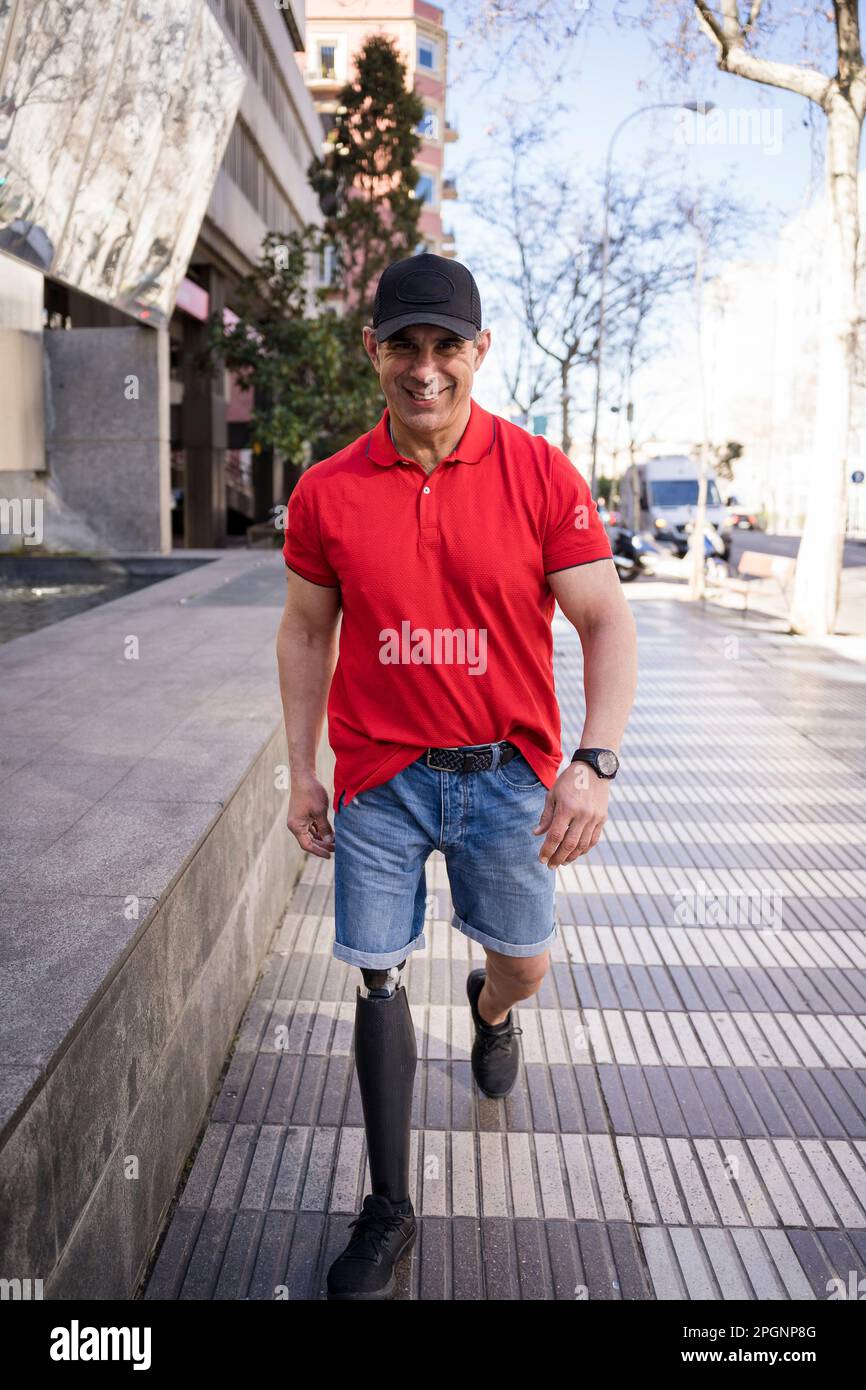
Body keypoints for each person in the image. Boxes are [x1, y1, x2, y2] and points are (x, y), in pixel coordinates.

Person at [276, 252, 637, 1301]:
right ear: (373, 350)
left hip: (504, 779)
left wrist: (593, 764)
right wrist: (302, 770)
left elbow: (603, 621)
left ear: (478, 352)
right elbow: (305, 633)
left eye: (445, 346)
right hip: (379, 778)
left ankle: (490, 1009)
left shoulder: (537, 475)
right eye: (403, 344)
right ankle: (388, 1208)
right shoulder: (327, 491)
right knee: (376, 972)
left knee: (523, 962)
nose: (423, 367)